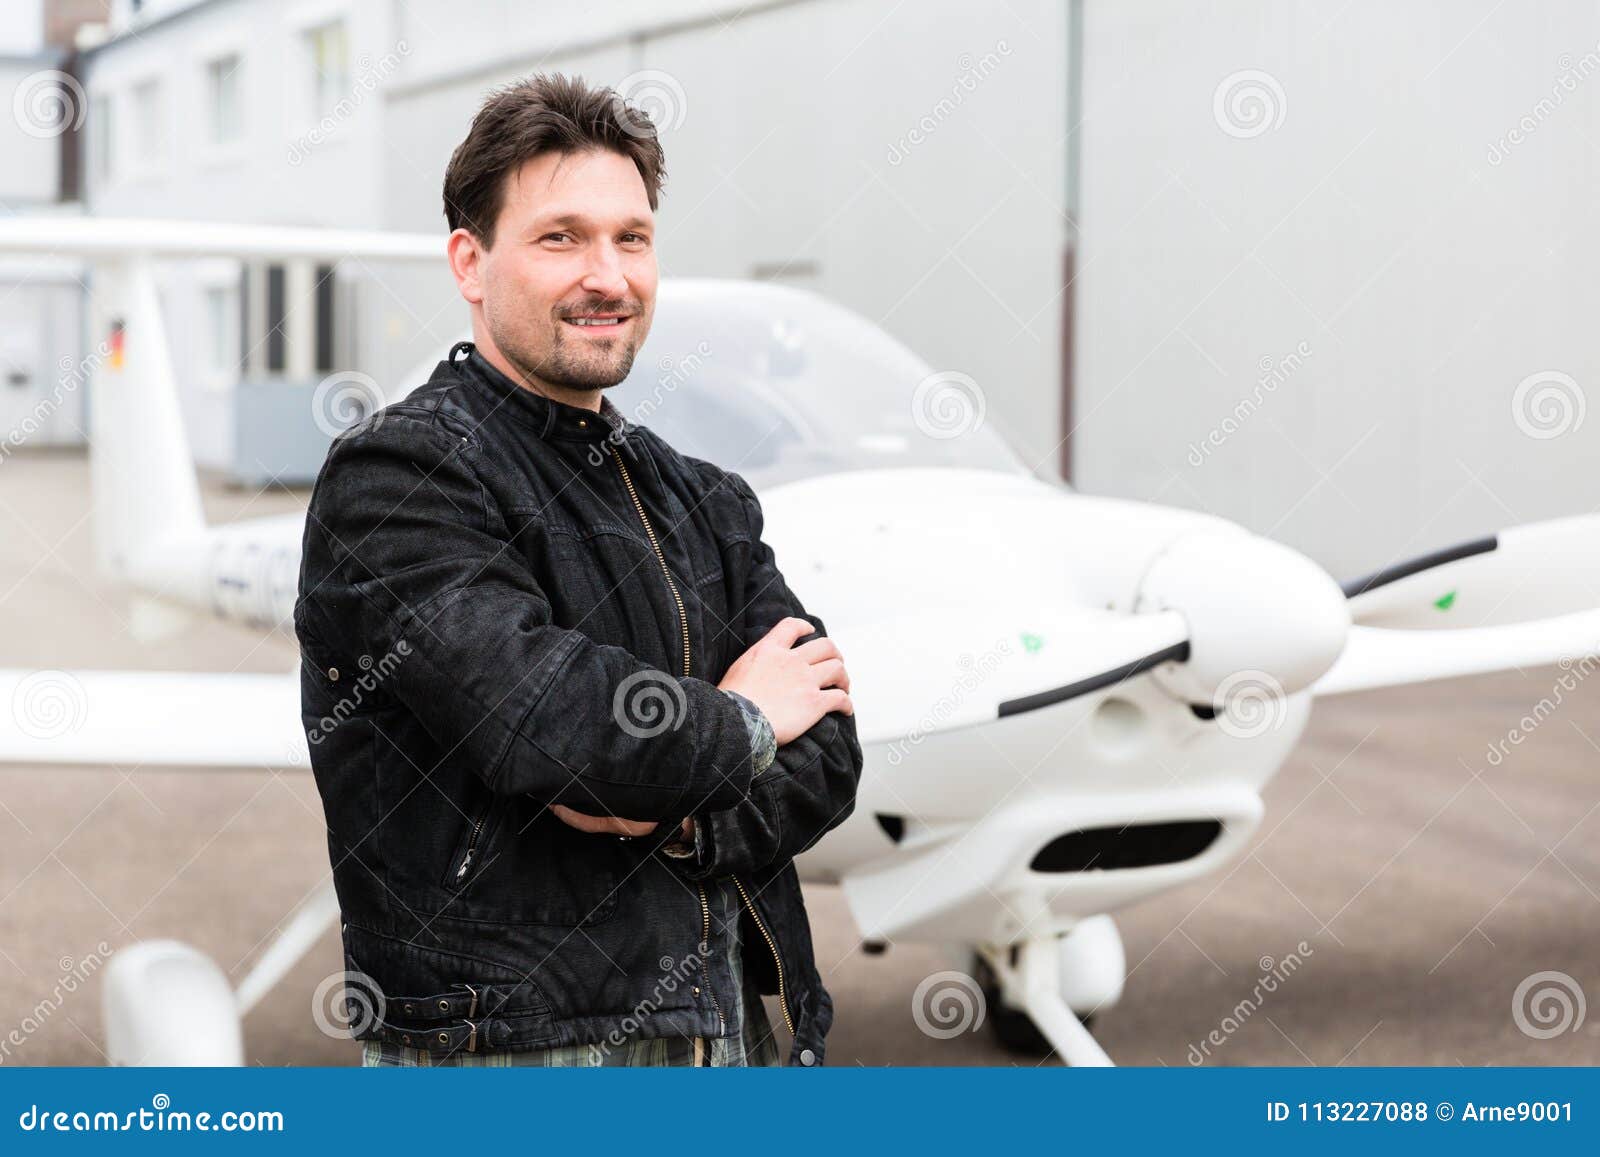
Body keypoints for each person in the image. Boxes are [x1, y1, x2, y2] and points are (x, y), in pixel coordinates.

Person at [293, 72, 863, 1068]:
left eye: (630, 238)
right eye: (561, 237)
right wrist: (741, 721)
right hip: (520, 1058)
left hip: (739, 1043)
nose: (609, 275)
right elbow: (563, 733)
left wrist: (668, 807)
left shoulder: (706, 499)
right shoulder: (402, 476)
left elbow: (830, 755)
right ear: (470, 262)